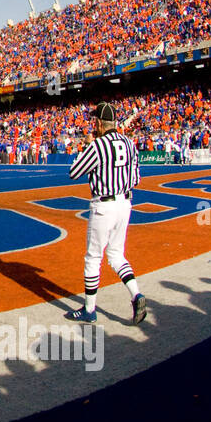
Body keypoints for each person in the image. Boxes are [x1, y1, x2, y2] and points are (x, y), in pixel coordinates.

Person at [65, 102, 146, 325]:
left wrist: (87, 146)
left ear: (99, 123)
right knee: (117, 255)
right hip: (125, 203)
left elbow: (74, 172)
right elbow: (137, 178)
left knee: (93, 257)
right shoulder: (129, 143)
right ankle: (136, 294)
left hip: (104, 205)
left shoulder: (98, 145)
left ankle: (89, 310)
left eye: (95, 122)